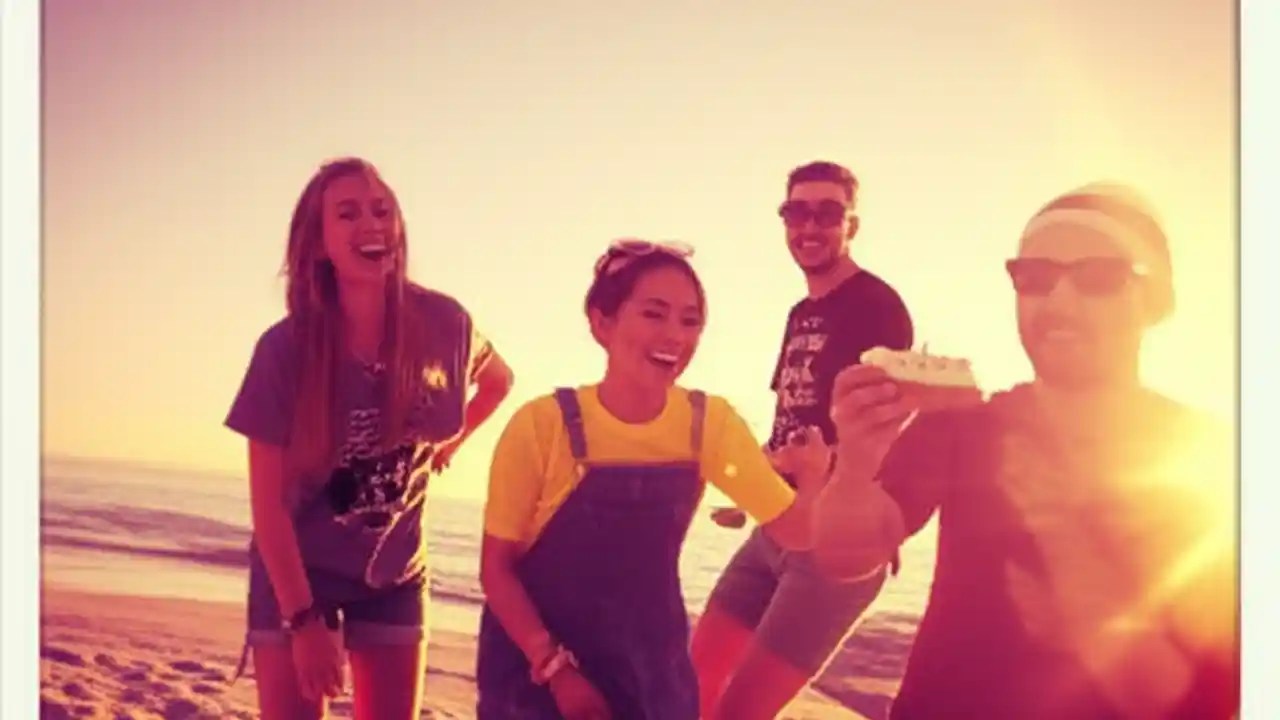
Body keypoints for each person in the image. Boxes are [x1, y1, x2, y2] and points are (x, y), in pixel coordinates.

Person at [814, 183, 1238, 719]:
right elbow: (845, 557)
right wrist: (855, 465)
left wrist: (1061, 539)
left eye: (1098, 278)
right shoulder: (964, 424)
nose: (1059, 301)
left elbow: (1204, 696)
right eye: (1035, 278)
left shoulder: (1210, 464)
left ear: (1154, 301)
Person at [475, 239, 833, 720]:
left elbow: (796, 533)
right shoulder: (542, 425)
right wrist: (557, 669)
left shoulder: (708, 424)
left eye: (690, 321)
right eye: (654, 314)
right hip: (533, 672)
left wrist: (812, 478)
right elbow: (496, 571)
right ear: (602, 323)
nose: (674, 335)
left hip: (649, 673)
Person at [224, 157, 514, 720]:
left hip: (394, 574)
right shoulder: (285, 350)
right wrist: (303, 621)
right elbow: (270, 508)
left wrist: (448, 446)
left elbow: (499, 381)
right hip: (299, 572)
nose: (371, 225)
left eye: (382, 210)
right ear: (318, 243)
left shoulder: (445, 323)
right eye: (348, 214)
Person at [692, 160, 915, 719]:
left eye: (827, 213)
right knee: (690, 685)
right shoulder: (801, 313)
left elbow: (888, 424)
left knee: (738, 713)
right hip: (779, 522)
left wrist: (824, 467)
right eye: (796, 212)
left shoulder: (877, 307)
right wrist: (758, 479)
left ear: (851, 225)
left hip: (833, 545)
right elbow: (793, 417)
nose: (809, 226)